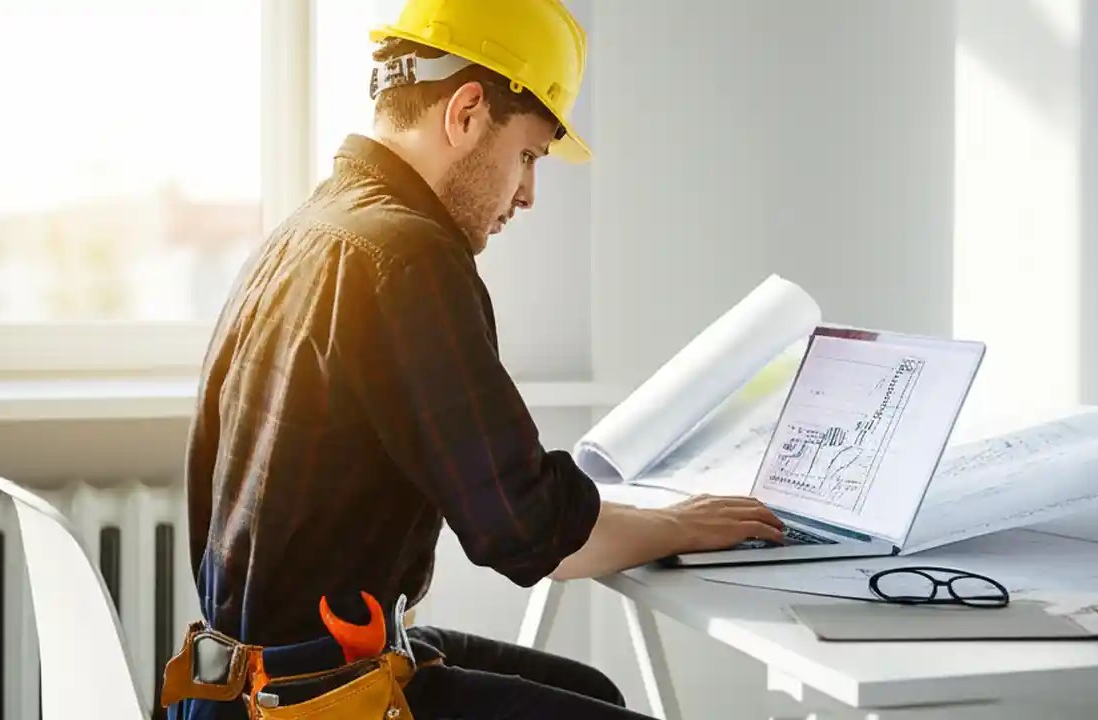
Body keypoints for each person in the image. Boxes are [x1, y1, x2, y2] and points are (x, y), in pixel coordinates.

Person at [177, 0, 785, 717]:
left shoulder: (310, 228)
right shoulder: (407, 257)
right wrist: (680, 526)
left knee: (592, 693)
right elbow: (525, 533)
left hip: (244, 679)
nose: (527, 193)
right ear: (466, 112)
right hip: (312, 699)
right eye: (527, 156)